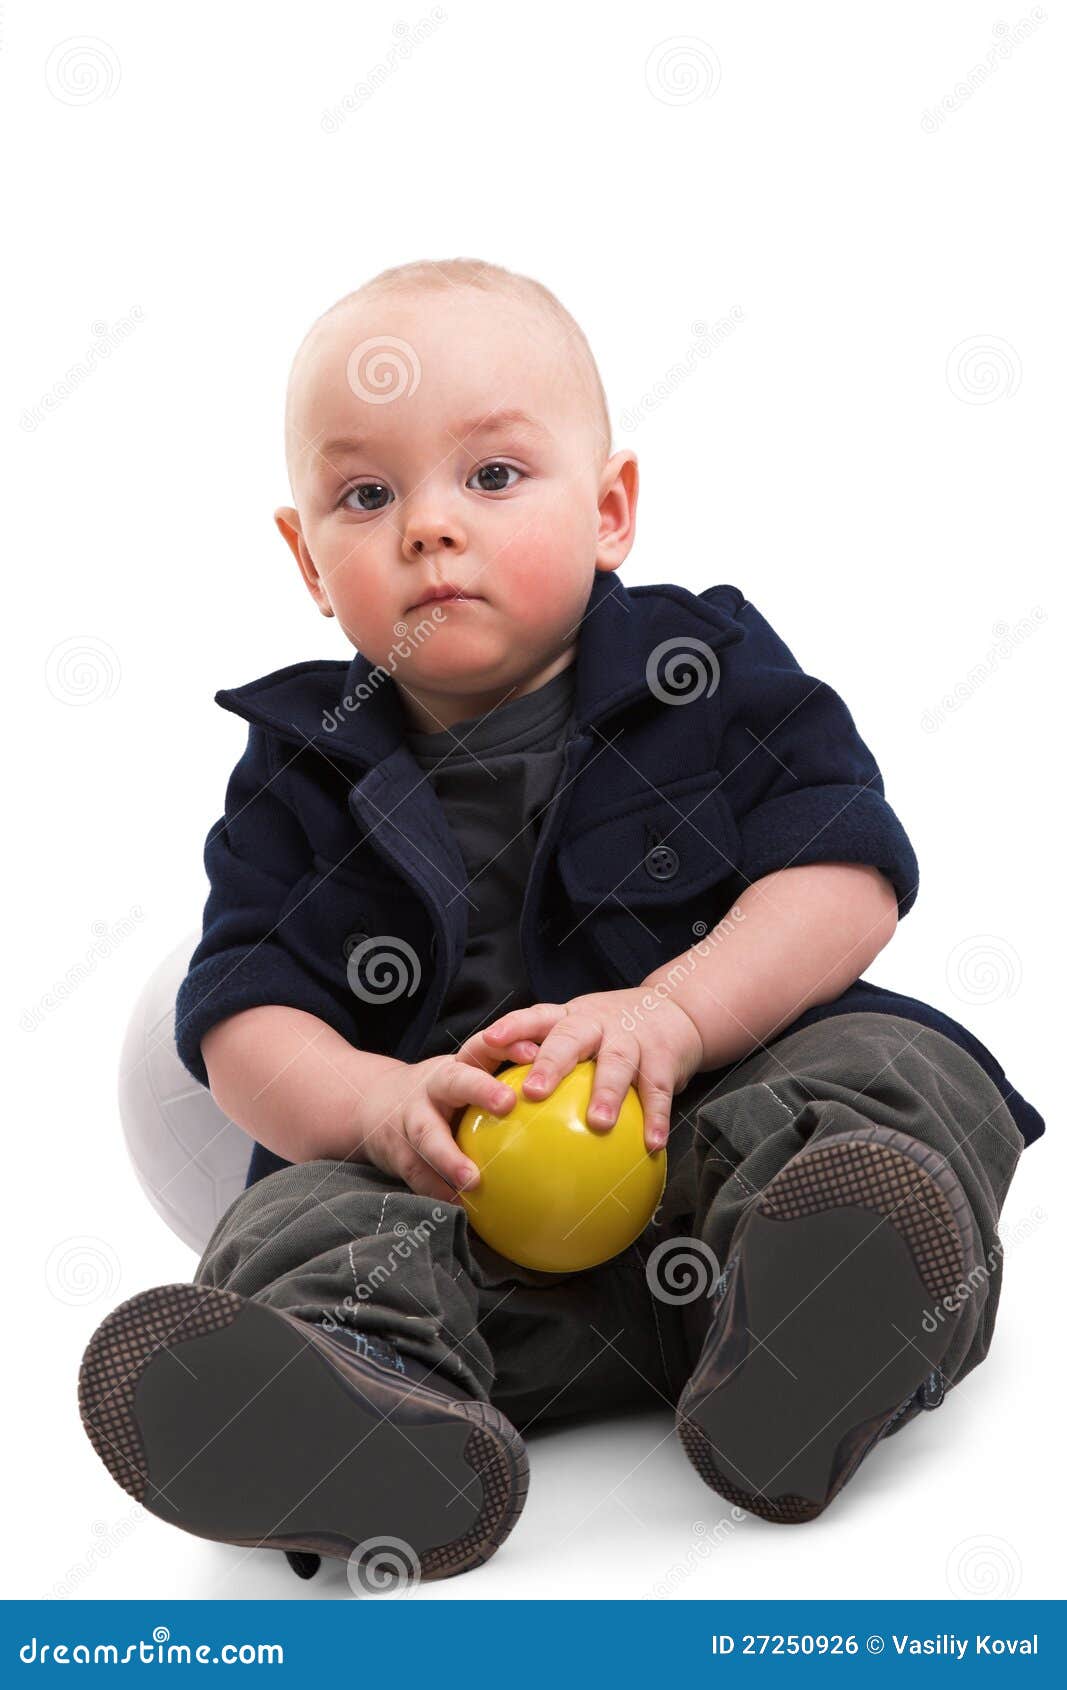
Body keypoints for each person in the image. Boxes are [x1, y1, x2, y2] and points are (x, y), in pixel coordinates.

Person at [77, 258, 1043, 1587]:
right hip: (459, 1250)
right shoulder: (303, 774)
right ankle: (370, 1415)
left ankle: (821, 1333)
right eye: (367, 495)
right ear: (306, 557)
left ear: (610, 510)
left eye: (491, 477)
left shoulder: (701, 675)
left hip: (720, 1187)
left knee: (889, 1075)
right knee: (296, 1216)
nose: (428, 527)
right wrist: (373, 1105)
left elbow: (845, 873)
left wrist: (676, 1008)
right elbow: (245, 1016)